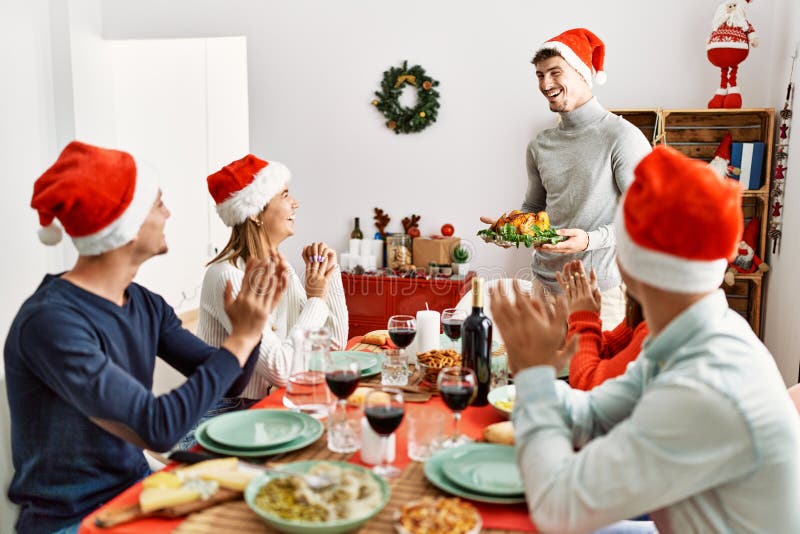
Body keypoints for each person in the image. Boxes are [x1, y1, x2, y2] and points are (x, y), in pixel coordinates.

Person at [490, 146, 800, 533]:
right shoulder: (696, 332)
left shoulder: (704, 386)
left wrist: (534, 374)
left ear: (627, 264)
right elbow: (595, 415)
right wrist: (538, 373)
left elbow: (558, 510)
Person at [4, 141, 288, 534]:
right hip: (72, 521)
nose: (168, 212)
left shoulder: (144, 303)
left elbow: (231, 378)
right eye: (157, 204)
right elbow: (158, 427)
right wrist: (241, 338)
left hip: (138, 492)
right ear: (125, 224)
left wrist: (252, 327)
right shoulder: (51, 323)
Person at [482, 28, 652, 327]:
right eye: (539, 75)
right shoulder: (540, 144)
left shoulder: (622, 136)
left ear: (582, 73)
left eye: (554, 72)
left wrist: (588, 240)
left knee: (595, 375)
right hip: (543, 287)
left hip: (599, 293)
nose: (545, 83)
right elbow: (534, 206)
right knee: (537, 374)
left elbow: (646, 219)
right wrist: (511, 228)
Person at [176, 154, 348, 448]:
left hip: (266, 409)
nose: (296, 203)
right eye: (285, 195)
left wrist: (327, 279)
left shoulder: (282, 269)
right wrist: (315, 298)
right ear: (255, 213)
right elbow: (282, 369)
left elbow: (332, 348)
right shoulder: (226, 277)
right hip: (221, 417)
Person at [556, 260, 648, 390]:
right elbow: (608, 350)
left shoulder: (654, 332)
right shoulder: (647, 315)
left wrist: (583, 317)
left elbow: (589, 384)